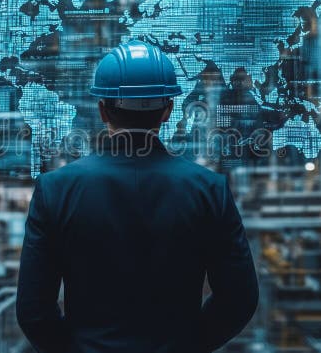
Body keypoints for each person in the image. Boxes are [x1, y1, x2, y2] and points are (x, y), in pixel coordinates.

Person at [16, 40, 259, 353]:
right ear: (168, 110)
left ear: (102, 108)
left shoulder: (56, 189)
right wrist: (188, 344)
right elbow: (239, 299)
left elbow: (33, 312)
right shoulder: (209, 189)